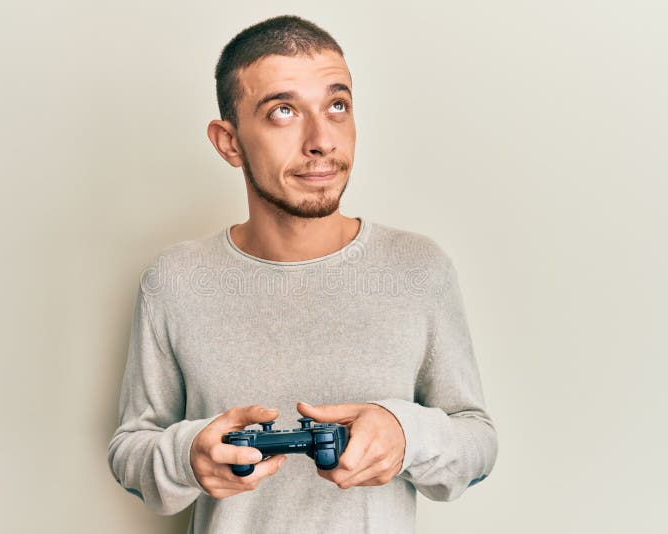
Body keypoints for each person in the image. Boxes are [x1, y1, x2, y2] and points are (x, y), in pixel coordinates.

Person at [107, 14, 498, 533]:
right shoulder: (174, 279)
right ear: (229, 142)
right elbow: (130, 450)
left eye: (337, 106)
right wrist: (187, 456)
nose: (322, 141)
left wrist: (406, 435)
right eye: (283, 111)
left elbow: (478, 444)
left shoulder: (418, 268)